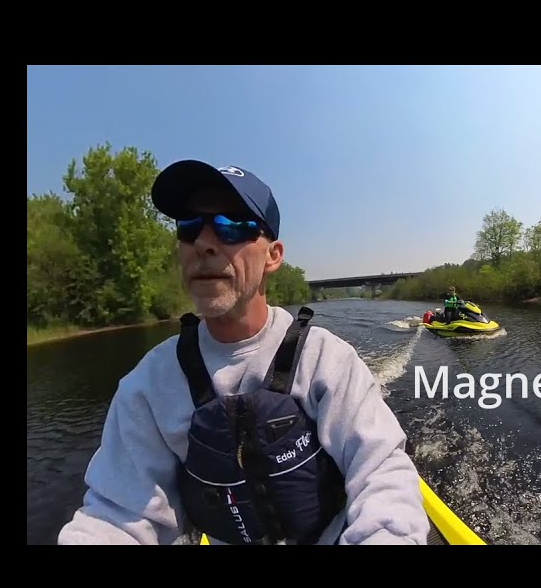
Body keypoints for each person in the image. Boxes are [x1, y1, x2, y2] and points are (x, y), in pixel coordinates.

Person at [57, 159, 429, 545]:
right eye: (189, 227)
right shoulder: (148, 387)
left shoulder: (327, 361)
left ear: (273, 256)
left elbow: (382, 474)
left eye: (232, 225)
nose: (204, 242)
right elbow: (116, 518)